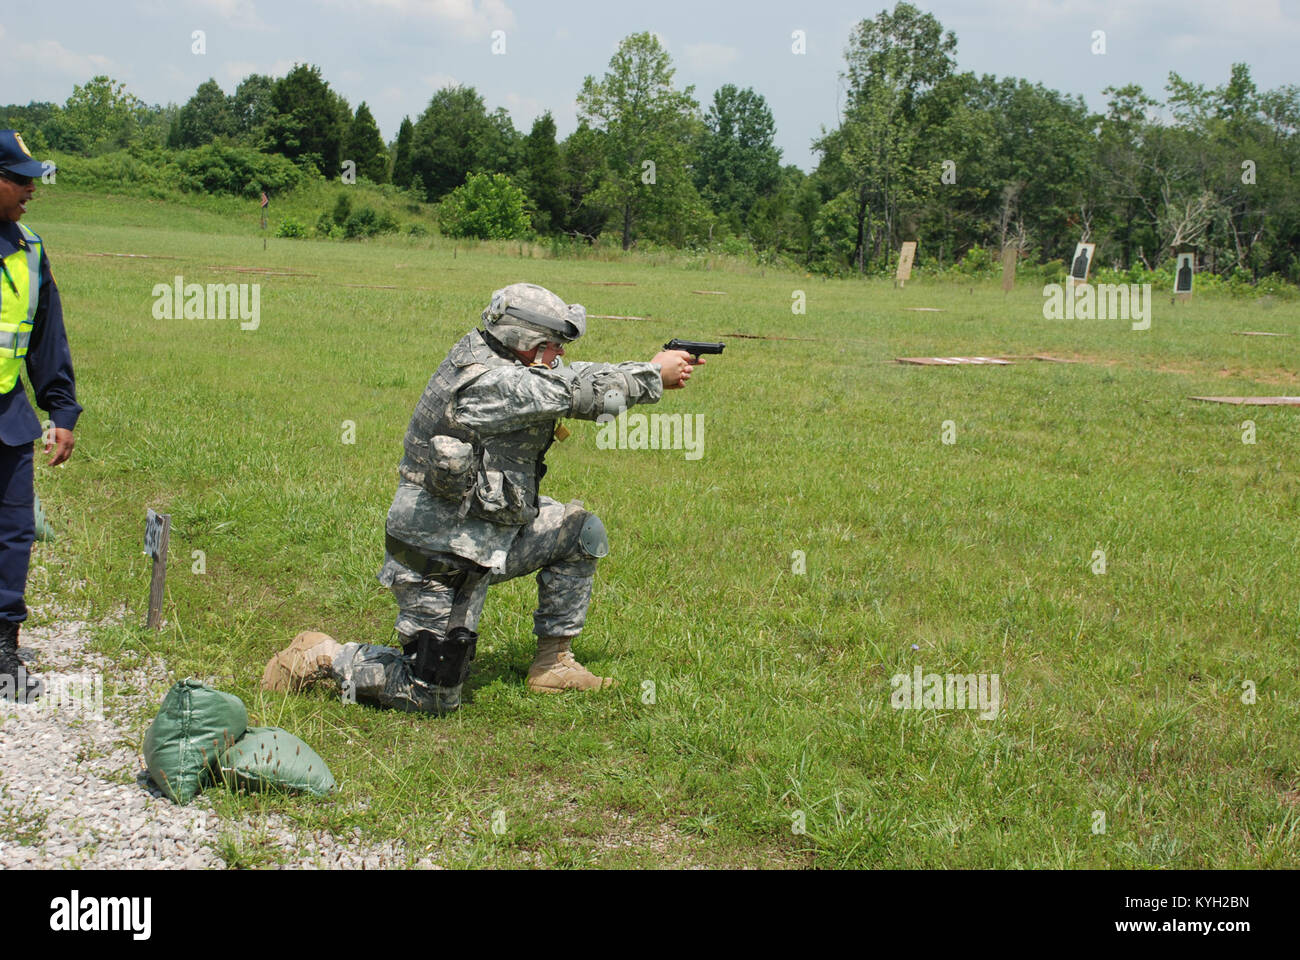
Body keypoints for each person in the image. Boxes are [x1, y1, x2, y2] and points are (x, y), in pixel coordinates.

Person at [263, 282, 700, 713]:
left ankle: (554, 664)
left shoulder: (505, 358)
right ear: (523, 341)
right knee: (432, 694)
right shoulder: (485, 381)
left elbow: (567, 375)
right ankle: (323, 654)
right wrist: (650, 376)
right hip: (439, 558)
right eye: (552, 344)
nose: (560, 354)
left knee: (580, 531)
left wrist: (646, 367)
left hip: (490, 535)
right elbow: (570, 392)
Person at [0, 131, 80, 702]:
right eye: (19, 177)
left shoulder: (29, 249)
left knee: (13, 534)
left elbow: (46, 336)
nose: (31, 188)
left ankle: (4, 649)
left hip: (7, 416)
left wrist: (61, 409)